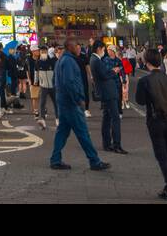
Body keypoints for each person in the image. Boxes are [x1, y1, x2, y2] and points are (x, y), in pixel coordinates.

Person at [50, 38, 111, 173]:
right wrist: (78, 99)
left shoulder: (61, 60)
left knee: (62, 132)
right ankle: (94, 161)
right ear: (70, 46)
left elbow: (55, 81)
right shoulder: (69, 61)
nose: (80, 48)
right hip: (71, 103)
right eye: (78, 45)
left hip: (63, 101)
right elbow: (70, 83)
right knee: (83, 132)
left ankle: (55, 159)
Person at [135, 49, 167, 203]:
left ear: (146, 62)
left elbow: (140, 101)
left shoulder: (145, 81)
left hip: (155, 120)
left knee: (161, 156)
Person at [92, 44, 127, 154]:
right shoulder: (98, 60)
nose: (106, 52)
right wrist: (114, 71)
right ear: (99, 49)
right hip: (108, 91)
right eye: (104, 49)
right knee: (115, 118)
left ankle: (107, 144)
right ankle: (116, 144)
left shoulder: (96, 60)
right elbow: (105, 75)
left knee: (107, 117)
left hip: (108, 90)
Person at [35, 46, 58, 128]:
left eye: (45, 51)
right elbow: (36, 72)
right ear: (40, 52)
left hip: (53, 86)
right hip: (43, 86)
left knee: (56, 103)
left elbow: (56, 72)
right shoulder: (38, 62)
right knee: (42, 103)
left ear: (47, 52)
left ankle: (57, 119)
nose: (43, 53)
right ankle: (43, 120)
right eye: (42, 51)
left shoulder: (52, 60)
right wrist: (36, 82)